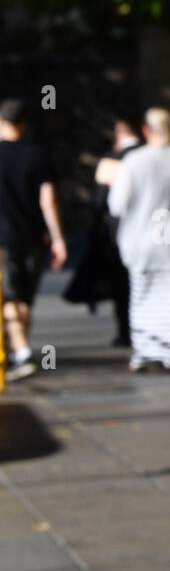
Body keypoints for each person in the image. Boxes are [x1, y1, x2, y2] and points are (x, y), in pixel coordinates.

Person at [107, 106, 170, 374]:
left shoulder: (133, 160)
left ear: (146, 130)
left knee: (142, 297)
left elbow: (117, 204)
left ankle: (144, 352)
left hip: (140, 242)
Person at [0, 97, 66, 382]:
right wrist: (58, 238)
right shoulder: (37, 154)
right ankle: (20, 351)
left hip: (2, 238)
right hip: (32, 237)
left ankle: (22, 351)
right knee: (24, 295)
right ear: (23, 124)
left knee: (9, 293)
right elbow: (48, 200)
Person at [65, 116, 143, 345]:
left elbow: (102, 203)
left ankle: (127, 332)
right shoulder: (152, 156)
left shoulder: (112, 160)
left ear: (119, 132)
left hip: (118, 234)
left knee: (123, 286)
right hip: (156, 231)